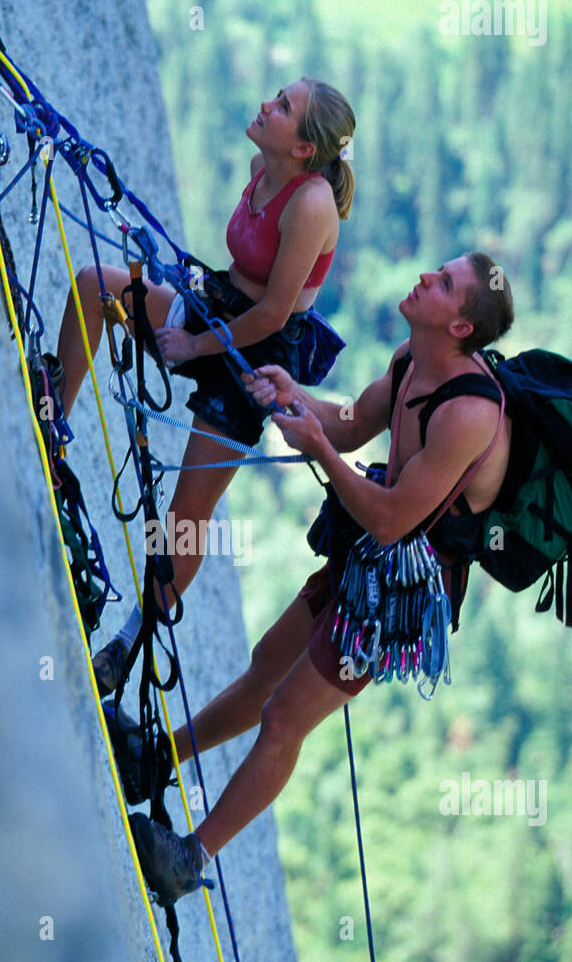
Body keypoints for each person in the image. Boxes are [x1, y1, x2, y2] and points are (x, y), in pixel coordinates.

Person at [128, 251, 516, 905]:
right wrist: (293, 395)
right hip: (370, 559)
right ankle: (158, 757)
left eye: (444, 284)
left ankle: (189, 858)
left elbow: (393, 520)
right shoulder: (411, 360)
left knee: (283, 717)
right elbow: (353, 422)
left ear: (459, 328)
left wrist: (317, 450)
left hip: (400, 597)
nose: (425, 277)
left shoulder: (467, 414)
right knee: (263, 669)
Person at [55, 78, 356, 695]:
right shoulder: (260, 168)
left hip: (255, 358)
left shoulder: (311, 205)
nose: (266, 105)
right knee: (96, 285)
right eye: (276, 95)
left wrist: (193, 345)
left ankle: (132, 636)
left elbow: (274, 314)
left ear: (303, 149)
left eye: (283, 107)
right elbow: (241, 288)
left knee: (186, 515)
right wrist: (194, 322)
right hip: (216, 309)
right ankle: (52, 418)